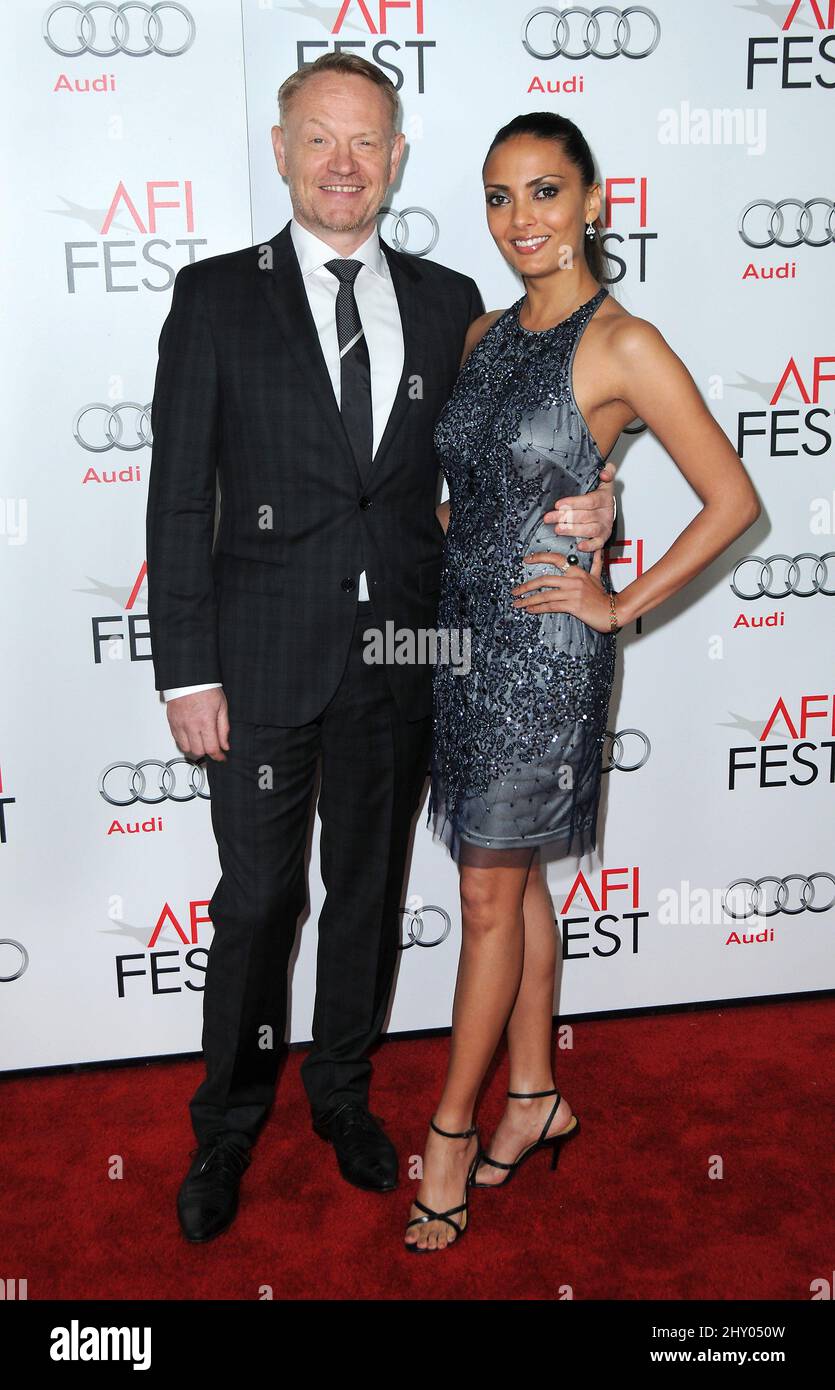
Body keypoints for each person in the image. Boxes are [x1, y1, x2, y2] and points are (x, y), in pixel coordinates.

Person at [145, 60, 617, 1243]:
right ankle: (229, 1120)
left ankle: (343, 1097)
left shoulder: (453, 294)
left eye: (367, 141)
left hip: (407, 654)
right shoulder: (212, 297)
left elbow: (499, 450)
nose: (344, 162)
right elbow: (173, 502)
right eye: (320, 139)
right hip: (254, 664)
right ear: (282, 149)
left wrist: (593, 497)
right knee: (258, 901)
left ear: (398, 157)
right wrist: (186, 669)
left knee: (364, 893)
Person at [403, 111, 761, 1253]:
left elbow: (735, 498)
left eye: (545, 192)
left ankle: (451, 1131)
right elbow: (482, 498)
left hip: (544, 659)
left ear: (595, 200)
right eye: (500, 196)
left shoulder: (626, 342)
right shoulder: (481, 334)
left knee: (485, 896)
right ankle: (533, 1096)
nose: (521, 220)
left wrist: (614, 598)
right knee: (518, 887)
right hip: (465, 642)